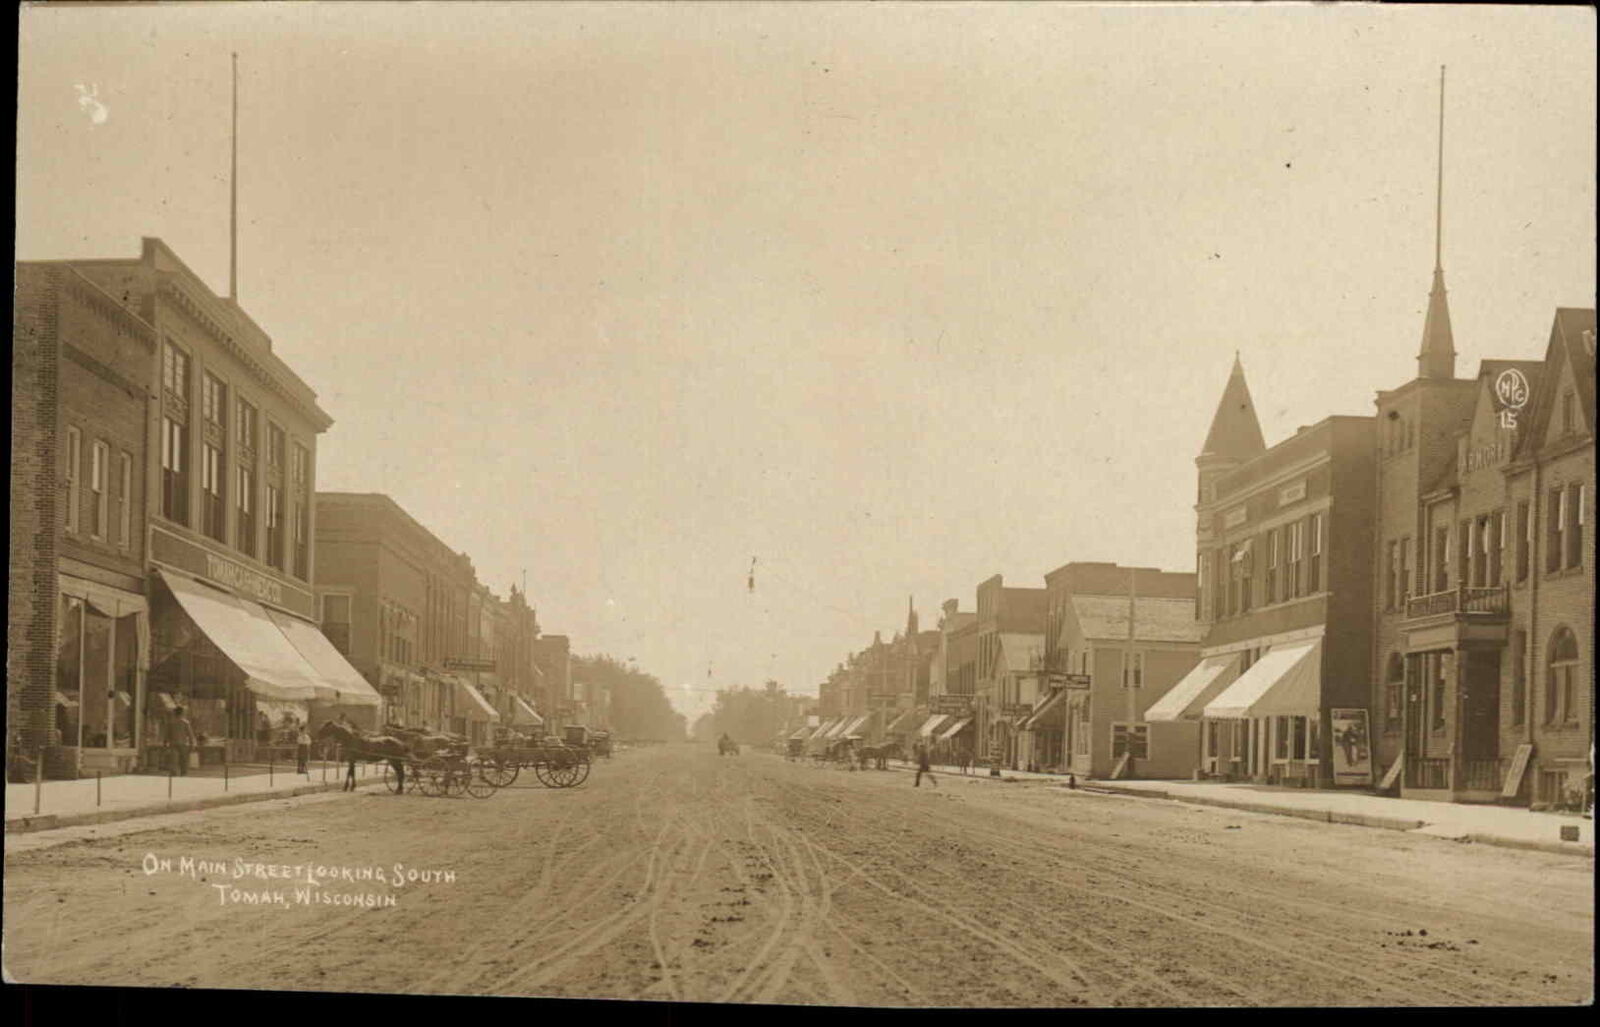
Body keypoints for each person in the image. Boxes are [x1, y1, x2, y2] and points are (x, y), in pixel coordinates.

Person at [170, 707, 197, 777]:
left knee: (174, 760)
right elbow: (190, 734)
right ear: (182, 713)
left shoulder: (171, 723)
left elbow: (167, 733)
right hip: (183, 744)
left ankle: (174, 773)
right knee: (183, 760)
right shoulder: (185, 723)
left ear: (175, 713)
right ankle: (183, 773)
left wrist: (165, 742)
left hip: (173, 743)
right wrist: (192, 744)